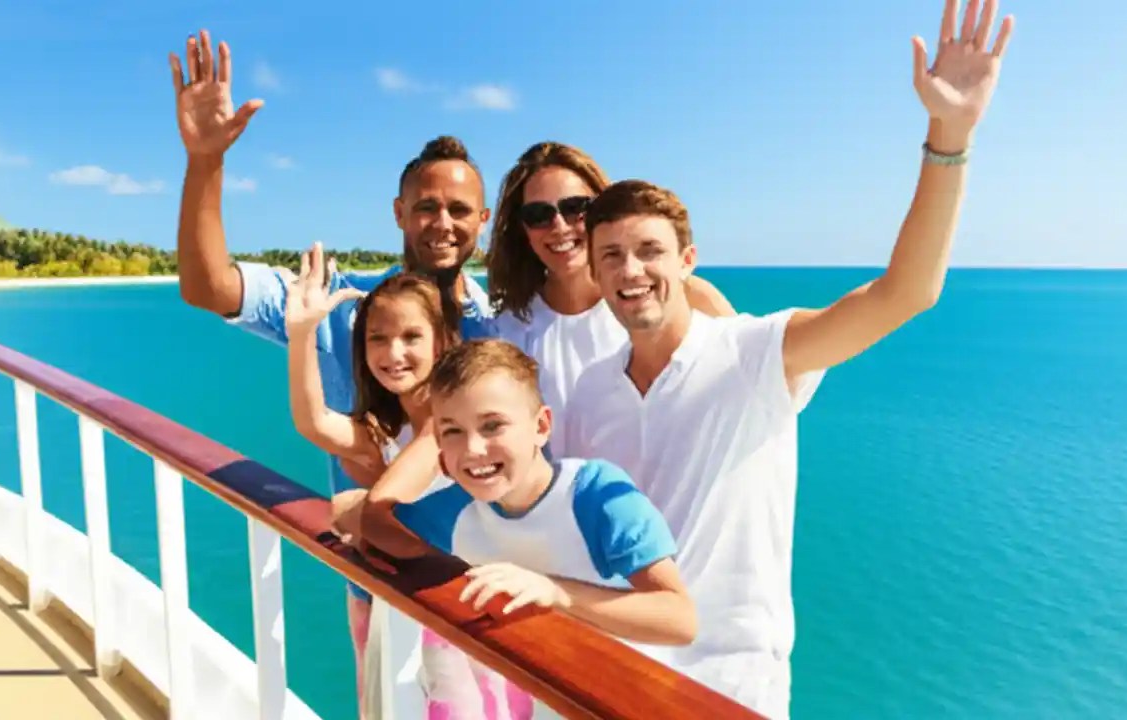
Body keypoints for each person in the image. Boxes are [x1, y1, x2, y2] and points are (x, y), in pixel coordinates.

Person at [561, 2, 1015, 717]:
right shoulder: (589, 390)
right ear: (593, 269)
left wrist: (949, 136)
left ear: (687, 260)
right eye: (610, 255)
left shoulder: (755, 354)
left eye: (649, 251)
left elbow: (905, 293)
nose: (631, 270)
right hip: (606, 676)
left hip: (728, 688)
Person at [167, 29, 495, 707]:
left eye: (459, 209)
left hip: (485, 596)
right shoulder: (342, 306)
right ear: (399, 212)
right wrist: (206, 162)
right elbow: (207, 286)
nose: (442, 221)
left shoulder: (503, 323)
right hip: (377, 594)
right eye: (426, 205)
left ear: (483, 221)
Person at [355, 338, 698, 717]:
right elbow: (376, 523)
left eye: (492, 426)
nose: (473, 449)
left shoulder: (594, 496)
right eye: (453, 431)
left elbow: (679, 619)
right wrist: (357, 507)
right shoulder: (456, 508)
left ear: (541, 426)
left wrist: (558, 593)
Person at [283, 246, 531, 719]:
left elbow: (378, 507)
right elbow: (314, 422)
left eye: (411, 336)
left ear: (441, 342)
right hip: (411, 610)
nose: (394, 353)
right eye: (378, 338)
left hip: (473, 614)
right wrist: (301, 334)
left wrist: (355, 510)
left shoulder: (455, 420)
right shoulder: (383, 431)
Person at [484, 142, 735, 455]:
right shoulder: (507, 331)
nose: (559, 226)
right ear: (523, 229)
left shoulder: (686, 298)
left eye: (576, 207)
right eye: (538, 215)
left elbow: (746, 392)